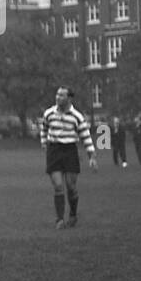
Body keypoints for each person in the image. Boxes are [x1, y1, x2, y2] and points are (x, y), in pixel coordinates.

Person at [41, 87, 96, 229]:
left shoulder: (77, 116)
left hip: (70, 151)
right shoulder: (49, 113)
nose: (58, 97)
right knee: (58, 186)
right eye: (57, 94)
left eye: (61, 95)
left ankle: (73, 214)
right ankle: (59, 219)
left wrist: (91, 156)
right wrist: (44, 143)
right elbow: (44, 128)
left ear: (69, 98)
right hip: (54, 150)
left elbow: (85, 136)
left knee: (71, 187)